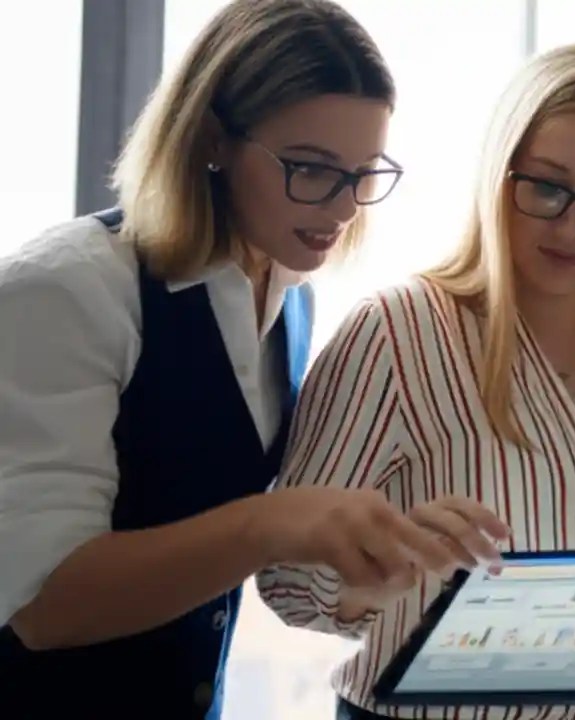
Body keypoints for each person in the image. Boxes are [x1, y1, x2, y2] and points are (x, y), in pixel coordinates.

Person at [0, 1, 493, 717]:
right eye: (311, 169)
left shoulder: (289, 296)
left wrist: (378, 563)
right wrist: (274, 522)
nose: (345, 206)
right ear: (210, 141)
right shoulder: (68, 290)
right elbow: (43, 606)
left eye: (364, 174)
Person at [256, 44, 575, 720]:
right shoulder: (398, 330)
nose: (571, 225)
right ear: (500, 176)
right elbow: (286, 581)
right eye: (547, 186)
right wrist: (380, 568)